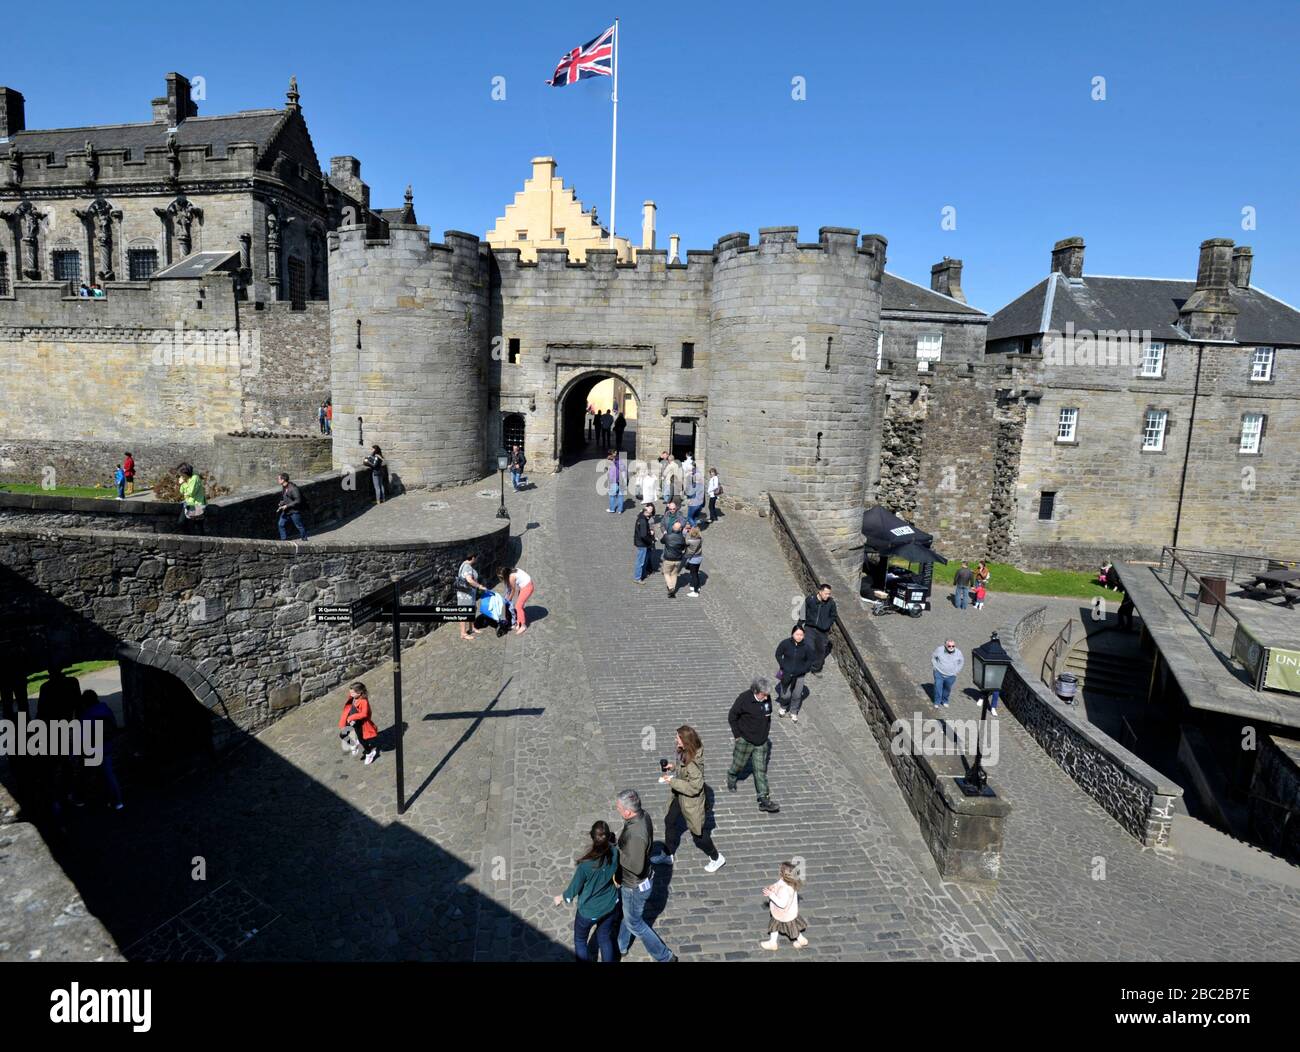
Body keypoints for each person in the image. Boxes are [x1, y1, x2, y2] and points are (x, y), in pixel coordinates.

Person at [651, 725, 725, 872]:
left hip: (692, 803)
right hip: (680, 797)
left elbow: (695, 786)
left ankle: (717, 858)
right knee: (670, 820)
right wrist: (674, 768)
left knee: (698, 834)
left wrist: (671, 781)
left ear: (685, 740)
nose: (675, 739)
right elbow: (684, 770)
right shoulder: (686, 752)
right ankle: (668, 853)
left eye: (677, 737)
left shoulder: (693, 763)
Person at [614, 789, 676, 962]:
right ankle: (621, 945)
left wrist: (616, 853)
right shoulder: (643, 815)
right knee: (630, 915)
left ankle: (665, 956)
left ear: (627, 811)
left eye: (618, 807)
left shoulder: (635, 834)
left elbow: (636, 866)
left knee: (635, 923)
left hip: (634, 885)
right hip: (641, 882)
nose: (617, 809)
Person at [554, 821, 622, 963]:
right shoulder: (615, 853)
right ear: (609, 837)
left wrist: (561, 898)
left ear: (592, 838)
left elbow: (573, 889)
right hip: (610, 906)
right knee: (605, 939)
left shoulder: (586, 865)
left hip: (588, 911)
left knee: (580, 940)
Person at [726, 677, 780, 813]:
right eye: (764, 694)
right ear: (756, 691)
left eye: (767, 695)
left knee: (760, 770)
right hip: (745, 740)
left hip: (761, 742)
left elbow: (768, 716)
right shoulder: (744, 699)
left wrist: (765, 733)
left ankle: (764, 799)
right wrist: (737, 735)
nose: (766, 697)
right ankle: (732, 776)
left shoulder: (766, 699)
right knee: (738, 764)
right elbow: (732, 716)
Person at [78, 689, 123, 810]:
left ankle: (83, 798)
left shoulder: (87, 715)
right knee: (108, 774)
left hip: (94, 749)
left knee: (90, 774)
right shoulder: (105, 710)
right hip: (107, 745)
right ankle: (115, 800)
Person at [760, 861, 808, 950]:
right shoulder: (790, 882)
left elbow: (782, 904)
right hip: (788, 913)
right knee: (792, 927)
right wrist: (772, 887)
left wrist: (771, 895)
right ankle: (801, 940)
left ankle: (772, 943)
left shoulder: (785, 890)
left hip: (783, 913)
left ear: (783, 874)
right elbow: (778, 884)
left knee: (776, 927)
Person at [775, 624, 814, 721]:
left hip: (799, 676)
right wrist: (783, 665)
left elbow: (810, 660)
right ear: (792, 634)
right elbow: (778, 654)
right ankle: (783, 706)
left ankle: (793, 711)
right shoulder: (785, 643)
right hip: (786, 673)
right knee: (785, 695)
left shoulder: (806, 647)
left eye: (801, 635)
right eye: (797, 634)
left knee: (797, 695)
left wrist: (804, 669)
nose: (799, 637)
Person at [338, 681, 379, 765]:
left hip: (359, 723)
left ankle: (369, 753)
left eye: (352, 692)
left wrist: (351, 717)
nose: (350, 694)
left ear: (359, 693)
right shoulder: (354, 697)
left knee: (362, 740)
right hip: (351, 721)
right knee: (343, 735)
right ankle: (354, 744)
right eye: (350, 692)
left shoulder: (363, 701)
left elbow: (364, 714)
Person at [802, 584, 836, 674]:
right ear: (820, 592)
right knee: (809, 646)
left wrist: (827, 624)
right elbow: (803, 611)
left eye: (829, 594)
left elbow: (833, 615)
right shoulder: (811, 599)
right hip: (810, 627)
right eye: (826, 593)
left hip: (822, 631)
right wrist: (800, 624)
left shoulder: (831, 603)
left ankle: (816, 667)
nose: (828, 596)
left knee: (820, 651)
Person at [456, 553, 486, 641]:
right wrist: (479, 586)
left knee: (472, 609)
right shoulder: (467, 567)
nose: (476, 560)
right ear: (472, 558)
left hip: (468, 594)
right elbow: (469, 580)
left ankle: (472, 627)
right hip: (465, 595)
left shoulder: (464, 564)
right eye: (475, 558)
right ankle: (463, 633)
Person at [500, 566, 534, 634]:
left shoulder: (511, 577)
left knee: (518, 607)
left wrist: (508, 601)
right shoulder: (513, 570)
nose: (500, 578)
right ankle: (519, 623)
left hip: (527, 588)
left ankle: (523, 626)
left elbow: (513, 591)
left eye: (501, 576)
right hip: (525, 586)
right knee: (519, 606)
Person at [276, 473, 309, 541]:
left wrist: (287, 505)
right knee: (280, 524)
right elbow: (286, 498)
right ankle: (284, 540)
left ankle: (305, 540)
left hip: (294, 511)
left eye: (279, 479)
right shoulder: (284, 487)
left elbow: (298, 500)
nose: (277, 480)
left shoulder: (293, 488)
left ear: (283, 480)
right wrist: (281, 503)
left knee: (299, 526)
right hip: (286, 510)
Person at [931, 639, 963, 708]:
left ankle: (945, 700)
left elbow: (961, 662)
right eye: (949, 646)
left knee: (947, 689)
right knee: (938, 687)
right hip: (939, 673)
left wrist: (956, 671)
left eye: (953, 646)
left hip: (951, 676)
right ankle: (937, 702)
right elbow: (933, 657)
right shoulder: (939, 650)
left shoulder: (958, 652)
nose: (951, 647)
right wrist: (935, 667)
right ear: (945, 645)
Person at [661, 520, 687, 598]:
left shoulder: (667, 536)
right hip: (678, 559)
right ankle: (673, 588)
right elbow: (683, 547)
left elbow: (662, 541)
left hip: (668, 559)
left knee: (666, 573)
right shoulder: (682, 538)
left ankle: (671, 588)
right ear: (680, 529)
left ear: (672, 527)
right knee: (674, 574)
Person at [177, 463, 206, 528]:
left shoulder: (195, 478)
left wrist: (184, 483)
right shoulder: (186, 478)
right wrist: (182, 483)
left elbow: (191, 493)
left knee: (197, 525)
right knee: (181, 523)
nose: (181, 477)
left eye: (182, 475)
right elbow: (181, 492)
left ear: (186, 472)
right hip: (189, 503)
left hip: (197, 504)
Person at [633, 503, 656, 583]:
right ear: (645, 512)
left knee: (642, 560)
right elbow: (643, 535)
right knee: (640, 561)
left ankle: (641, 575)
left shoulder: (641, 517)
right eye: (649, 513)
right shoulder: (643, 521)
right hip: (642, 544)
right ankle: (637, 578)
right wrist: (650, 540)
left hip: (640, 542)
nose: (650, 515)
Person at [683, 526, 704, 597]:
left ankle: (695, 592)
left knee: (694, 575)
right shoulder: (700, 539)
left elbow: (684, 543)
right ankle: (697, 587)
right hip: (699, 557)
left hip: (693, 559)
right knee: (696, 573)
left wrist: (684, 534)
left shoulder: (690, 541)